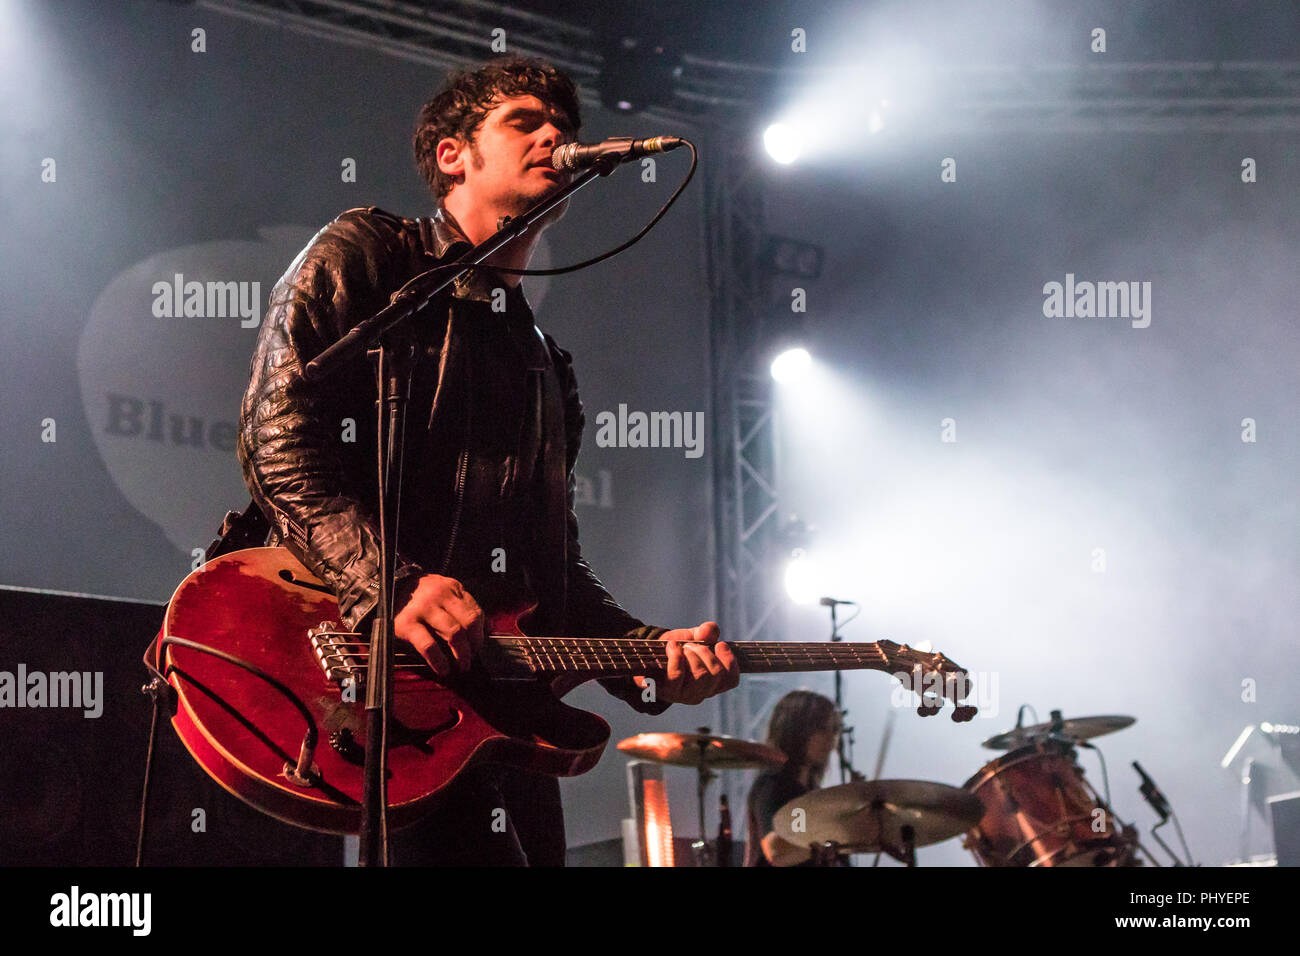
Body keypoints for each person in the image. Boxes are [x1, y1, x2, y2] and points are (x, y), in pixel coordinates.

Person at [235, 55, 738, 865]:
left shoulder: (545, 369)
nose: (555, 138)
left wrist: (652, 658)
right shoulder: (367, 254)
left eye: (564, 129)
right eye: (525, 122)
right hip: (347, 686)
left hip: (494, 719)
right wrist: (390, 584)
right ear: (451, 154)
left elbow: (554, 577)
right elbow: (275, 436)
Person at [744, 690, 842, 867]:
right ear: (797, 730)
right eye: (821, 729)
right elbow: (776, 851)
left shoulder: (810, 791)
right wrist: (830, 834)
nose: (830, 739)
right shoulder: (773, 784)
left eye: (833, 730)